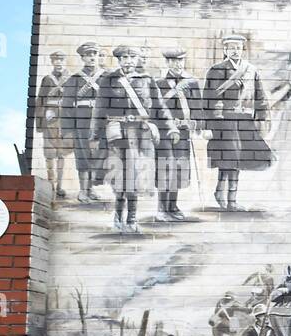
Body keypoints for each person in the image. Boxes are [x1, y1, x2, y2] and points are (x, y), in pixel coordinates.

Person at [90, 44, 173, 234]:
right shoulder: (108, 80)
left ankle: (132, 218)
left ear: (137, 60)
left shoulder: (147, 80)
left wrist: (171, 127)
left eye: (131, 58)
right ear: (119, 60)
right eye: (124, 58)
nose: (128, 61)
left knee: (136, 176)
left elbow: (160, 107)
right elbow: (99, 109)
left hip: (141, 134)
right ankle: (118, 217)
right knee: (119, 175)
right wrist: (94, 135)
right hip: (117, 134)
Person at [204, 34, 271, 211]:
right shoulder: (216, 70)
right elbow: (207, 99)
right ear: (225, 50)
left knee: (238, 159)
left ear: (243, 49)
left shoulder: (251, 70)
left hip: (245, 121)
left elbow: (260, 96)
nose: (235, 51)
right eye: (231, 48)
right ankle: (230, 200)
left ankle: (221, 192)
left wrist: (262, 118)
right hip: (224, 120)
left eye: (239, 48)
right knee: (230, 158)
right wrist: (207, 125)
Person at [155, 47, 202, 221]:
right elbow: (155, 109)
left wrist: (197, 124)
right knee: (165, 167)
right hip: (165, 132)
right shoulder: (159, 83)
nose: (177, 64)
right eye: (173, 61)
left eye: (180, 60)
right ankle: (162, 208)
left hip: (183, 131)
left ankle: (173, 206)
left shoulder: (191, 82)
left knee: (179, 168)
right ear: (167, 63)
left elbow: (197, 106)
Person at [61, 42, 104, 203]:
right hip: (82, 121)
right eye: (88, 55)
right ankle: (83, 190)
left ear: (98, 56)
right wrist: (68, 130)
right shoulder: (74, 79)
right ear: (83, 57)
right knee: (83, 155)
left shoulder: (106, 78)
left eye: (95, 54)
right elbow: (66, 106)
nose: (92, 57)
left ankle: (91, 188)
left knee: (98, 155)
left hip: (102, 122)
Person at [36, 51, 70, 199]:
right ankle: (51, 184)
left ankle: (60, 186)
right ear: (52, 62)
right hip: (50, 119)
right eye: (55, 59)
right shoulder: (47, 79)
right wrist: (40, 123)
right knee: (49, 153)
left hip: (65, 120)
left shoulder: (71, 79)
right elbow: (40, 101)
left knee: (61, 154)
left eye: (61, 59)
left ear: (65, 61)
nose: (58, 62)